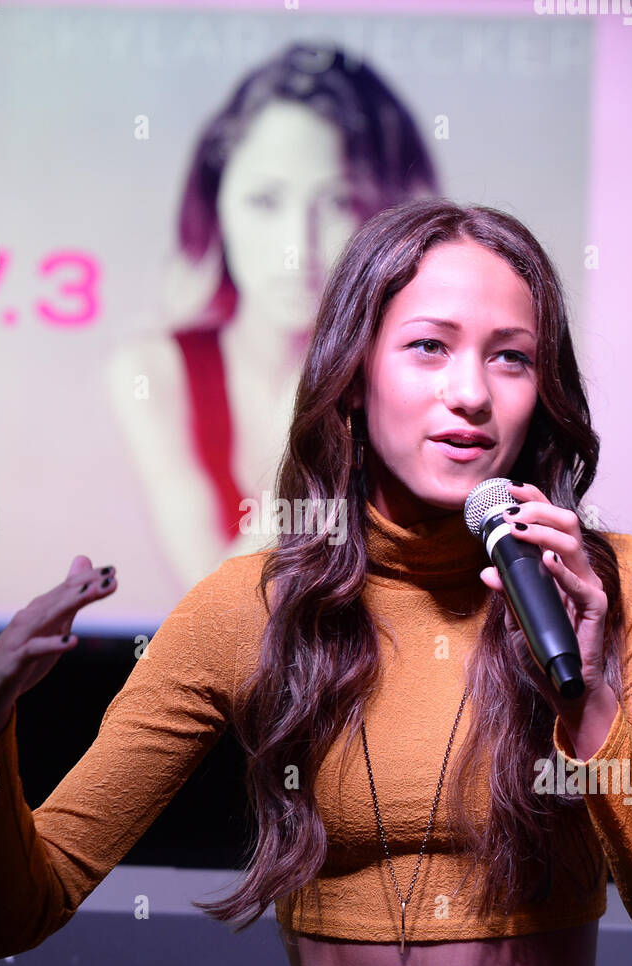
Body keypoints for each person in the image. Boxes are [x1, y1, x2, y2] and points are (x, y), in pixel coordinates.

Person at [0, 196, 632, 966]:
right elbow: (16, 915)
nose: (470, 395)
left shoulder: (616, 587)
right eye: (429, 347)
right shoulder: (250, 608)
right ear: (353, 378)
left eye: (511, 358)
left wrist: (589, 699)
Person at [104, 41, 439, 589]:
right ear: (218, 205)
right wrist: (305, 434)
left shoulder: (421, 372)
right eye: (264, 201)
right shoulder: (154, 371)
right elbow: (210, 609)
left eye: (337, 202)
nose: (296, 246)